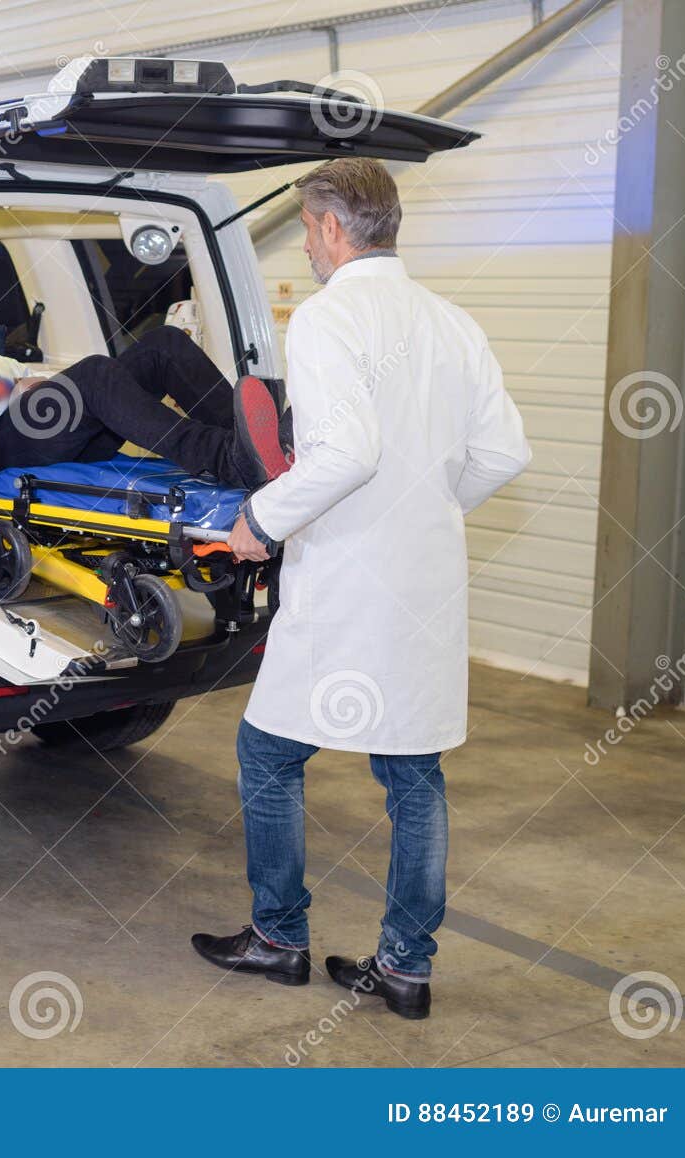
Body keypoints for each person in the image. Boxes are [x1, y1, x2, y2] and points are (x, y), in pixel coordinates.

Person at [191, 158, 531, 1019]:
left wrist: (258, 521)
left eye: (308, 230)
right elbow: (504, 452)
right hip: (426, 581)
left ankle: (278, 938)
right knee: (414, 774)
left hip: (344, 580)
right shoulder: (452, 322)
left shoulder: (326, 317)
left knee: (268, 754)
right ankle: (405, 968)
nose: (307, 247)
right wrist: (425, 513)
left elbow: (347, 454)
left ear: (334, 228)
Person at [0, 275, 288, 488]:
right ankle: (225, 457)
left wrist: (28, 383)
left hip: (52, 430)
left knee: (164, 343)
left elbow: (41, 384)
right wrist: (8, 387)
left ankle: (253, 445)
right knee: (95, 372)